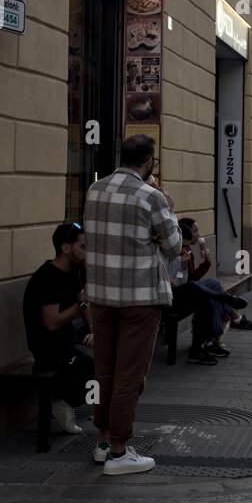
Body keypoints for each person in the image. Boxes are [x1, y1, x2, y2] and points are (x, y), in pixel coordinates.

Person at [84, 134, 182, 476]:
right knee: (130, 375)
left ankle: (102, 440)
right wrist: (166, 209)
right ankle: (120, 450)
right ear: (149, 161)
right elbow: (173, 245)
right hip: (139, 298)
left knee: (104, 371)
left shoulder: (95, 190)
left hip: (100, 296)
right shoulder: (152, 196)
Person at [21, 222, 95, 435]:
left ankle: (94, 408)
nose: (86, 252)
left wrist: (94, 330)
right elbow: (52, 323)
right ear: (66, 248)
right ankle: (61, 401)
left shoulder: (73, 271)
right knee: (94, 368)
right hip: (48, 348)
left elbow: (84, 304)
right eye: (83, 246)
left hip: (67, 342)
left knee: (107, 359)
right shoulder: (48, 277)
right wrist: (80, 304)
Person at [179, 217, 252, 344]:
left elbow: (192, 278)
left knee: (213, 286)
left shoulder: (188, 250)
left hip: (189, 288)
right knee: (213, 291)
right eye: (195, 231)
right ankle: (233, 319)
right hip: (182, 293)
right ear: (187, 233)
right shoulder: (181, 251)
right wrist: (202, 263)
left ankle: (229, 322)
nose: (198, 234)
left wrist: (206, 262)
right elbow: (189, 280)